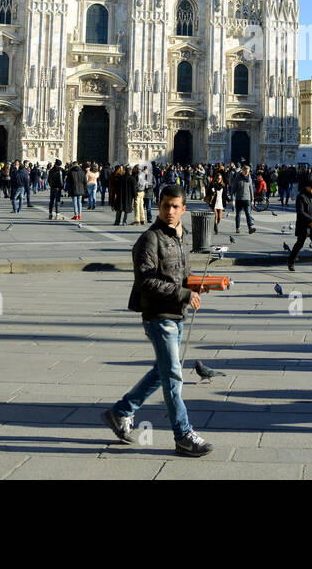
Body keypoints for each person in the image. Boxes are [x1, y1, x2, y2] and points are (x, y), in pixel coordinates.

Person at [103, 186, 213, 458]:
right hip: (158, 315)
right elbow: (146, 281)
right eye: (165, 205)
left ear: (184, 209)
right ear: (159, 205)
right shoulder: (149, 239)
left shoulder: (181, 237)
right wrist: (183, 293)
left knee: (161, 371)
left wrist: (199, 285)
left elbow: (182, 274)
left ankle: (121, 412)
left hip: (176, 313)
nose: (170, 211)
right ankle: (183, 434)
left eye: (176, 206)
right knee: (173, 376)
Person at [287, 178, 312, 272]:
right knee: (300, 243)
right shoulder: (301, 197)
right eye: (311, 188)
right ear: (307, 187)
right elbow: (300, 212)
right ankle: (291, 261)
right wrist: (310, 220)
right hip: (303, 224)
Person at [233, 166, 257, 234]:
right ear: (242, 171)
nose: (247, 173)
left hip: (247, 199)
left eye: (248, 172)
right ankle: (238, 228)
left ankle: (250, 228)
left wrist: (252, 200)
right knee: (238, 214)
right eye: (245, 172)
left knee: (248, 213)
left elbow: (251, 189)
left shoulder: (249, 178)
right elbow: (233, 189)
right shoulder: (238, 178)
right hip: (239, 199)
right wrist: (232, 199)